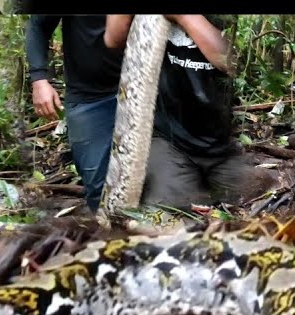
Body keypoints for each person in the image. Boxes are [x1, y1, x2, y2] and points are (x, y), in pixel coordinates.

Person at [104, 14, 252, 209]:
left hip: (221, 144)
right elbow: (113, 38)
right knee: (171, 212)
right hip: (167, 138)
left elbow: (232, 63)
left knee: (259, 198)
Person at [25, 15, 122, 212]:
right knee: (97, 185)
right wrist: (39, 79)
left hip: (147, 90)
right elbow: (38, 24)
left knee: (155, 174)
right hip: (90, 97)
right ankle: (111, 236)